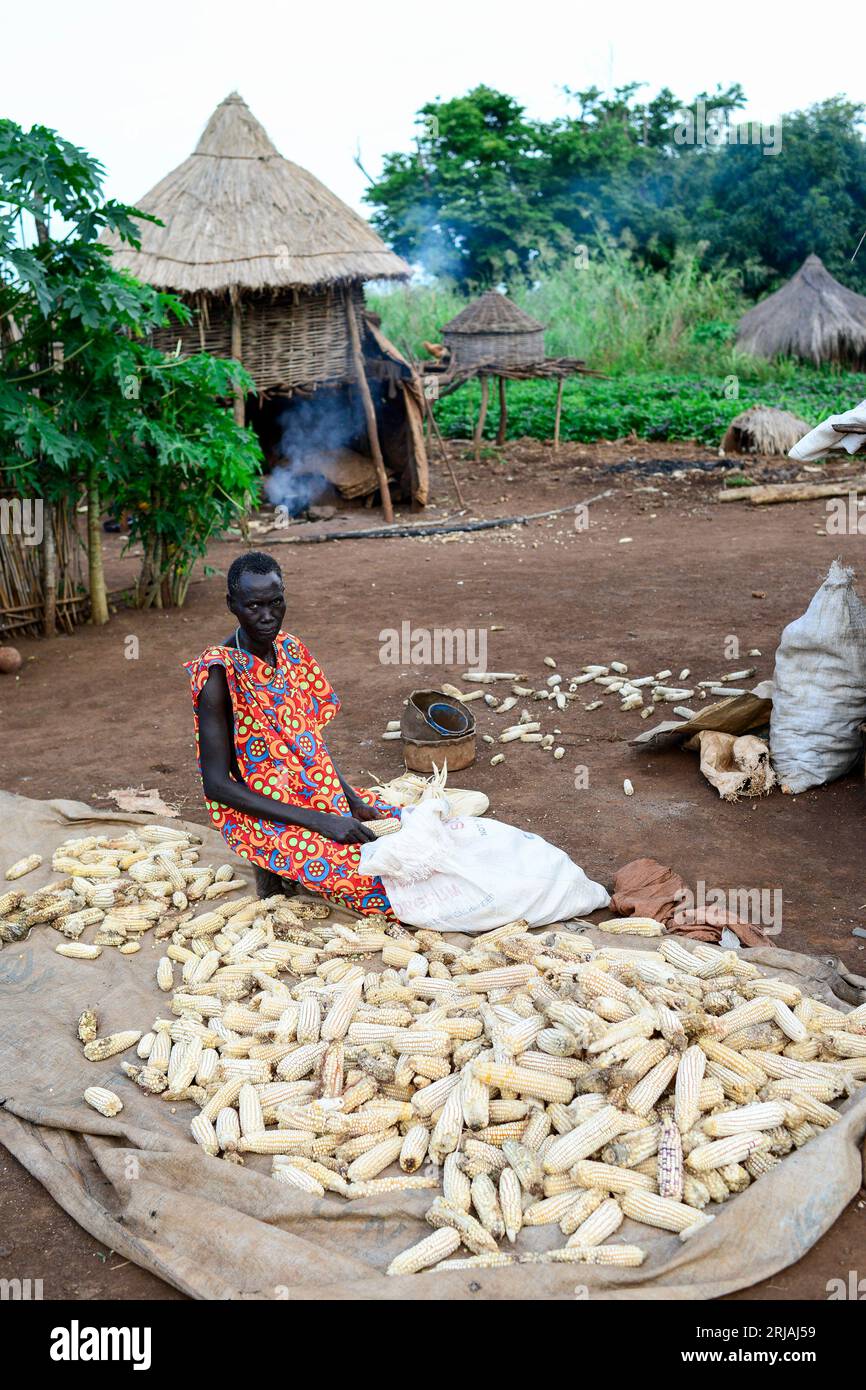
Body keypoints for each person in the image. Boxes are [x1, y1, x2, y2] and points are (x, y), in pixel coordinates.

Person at [184, 551, 400, 915]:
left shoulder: (291, 650)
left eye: (275, 602)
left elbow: (310, 745)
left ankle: (299, 862)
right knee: (375, 883)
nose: (267, 616)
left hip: (317, 792)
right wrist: (322, 822)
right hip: (262, 812)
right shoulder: (218, 674)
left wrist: (351, 802)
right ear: (232, 605)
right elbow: (216, 785)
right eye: (253, 606)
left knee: (407, 832)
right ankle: (271, 876)